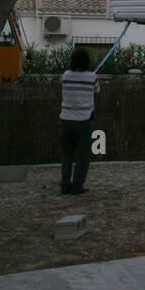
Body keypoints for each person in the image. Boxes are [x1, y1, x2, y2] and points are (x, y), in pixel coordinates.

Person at [59, 47, 100, 195]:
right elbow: (97, 90)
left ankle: (65, 185)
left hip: (65, 119)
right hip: (83, 121)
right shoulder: (91, 77)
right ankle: (77, 186)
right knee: (82, 156)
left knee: (67, 155)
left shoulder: (65, 76)